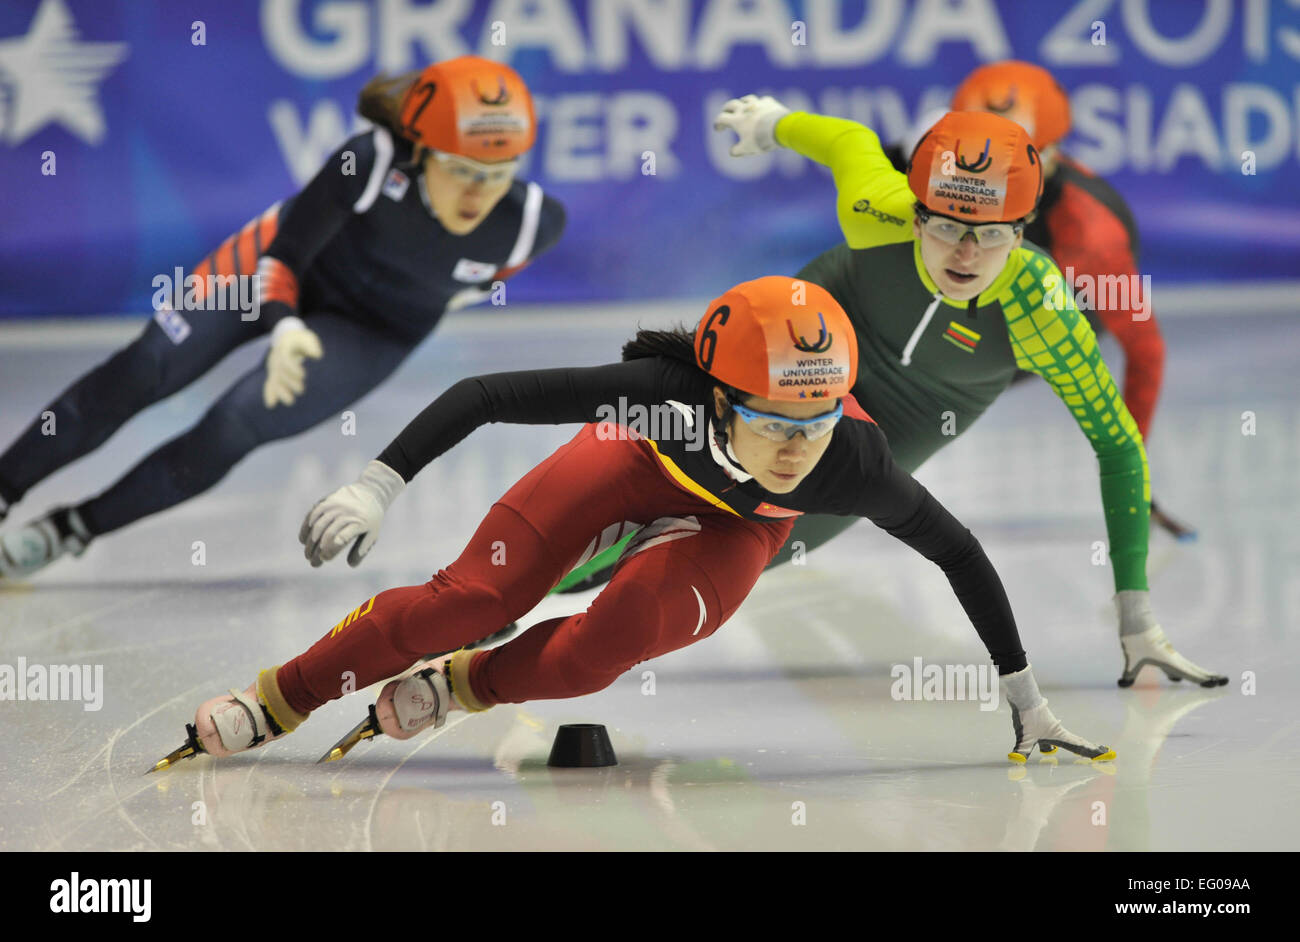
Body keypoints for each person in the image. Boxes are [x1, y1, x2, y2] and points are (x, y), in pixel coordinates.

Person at [153, 278, 1114, 770]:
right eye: (774, 421)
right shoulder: (665, 397)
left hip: (737, 530)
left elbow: (960, 551)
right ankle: (283, 695)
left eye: (815, 423)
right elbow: (487, 392)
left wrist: (1024, 695)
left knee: (591, 656)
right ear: (717, 398)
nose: (796, 447)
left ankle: (467, 685)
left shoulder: (852, 464)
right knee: (474, 596)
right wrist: (379, 480)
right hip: (632, 469)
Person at [557, 103, 1224, 689]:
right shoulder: (879, 207)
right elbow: (847, 141)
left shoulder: (1041, 308)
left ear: (1023, 231)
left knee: (766, 536)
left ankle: (566, 635)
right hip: (824, 334)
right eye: (943, 226)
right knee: (678, 464)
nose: (965, 252)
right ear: (915, 211)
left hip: (915, 411)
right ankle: (521, 588)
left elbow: (1116, 444)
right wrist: (771, 123)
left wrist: (1136, 613)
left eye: (991, 233)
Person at [0, 56, 565, 580]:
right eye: (463, 169)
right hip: (274, 270)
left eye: (498, 174)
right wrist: (286, 324)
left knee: (232, 426)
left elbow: (485, 280)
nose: (478, 194)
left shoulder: (533, 224)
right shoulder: (366, 161)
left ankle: (69, 530)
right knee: (147, 368)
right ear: (419, 151)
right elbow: (287, 254)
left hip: (373, 331)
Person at [896, 61, 1192, 539]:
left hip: (1032, 328)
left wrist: (1129, 466)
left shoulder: (1089, 238)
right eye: (975, 150)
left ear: (1051, 155)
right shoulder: (936, 158)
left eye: (1013, 159)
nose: (985, 172)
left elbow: (1146, 350)